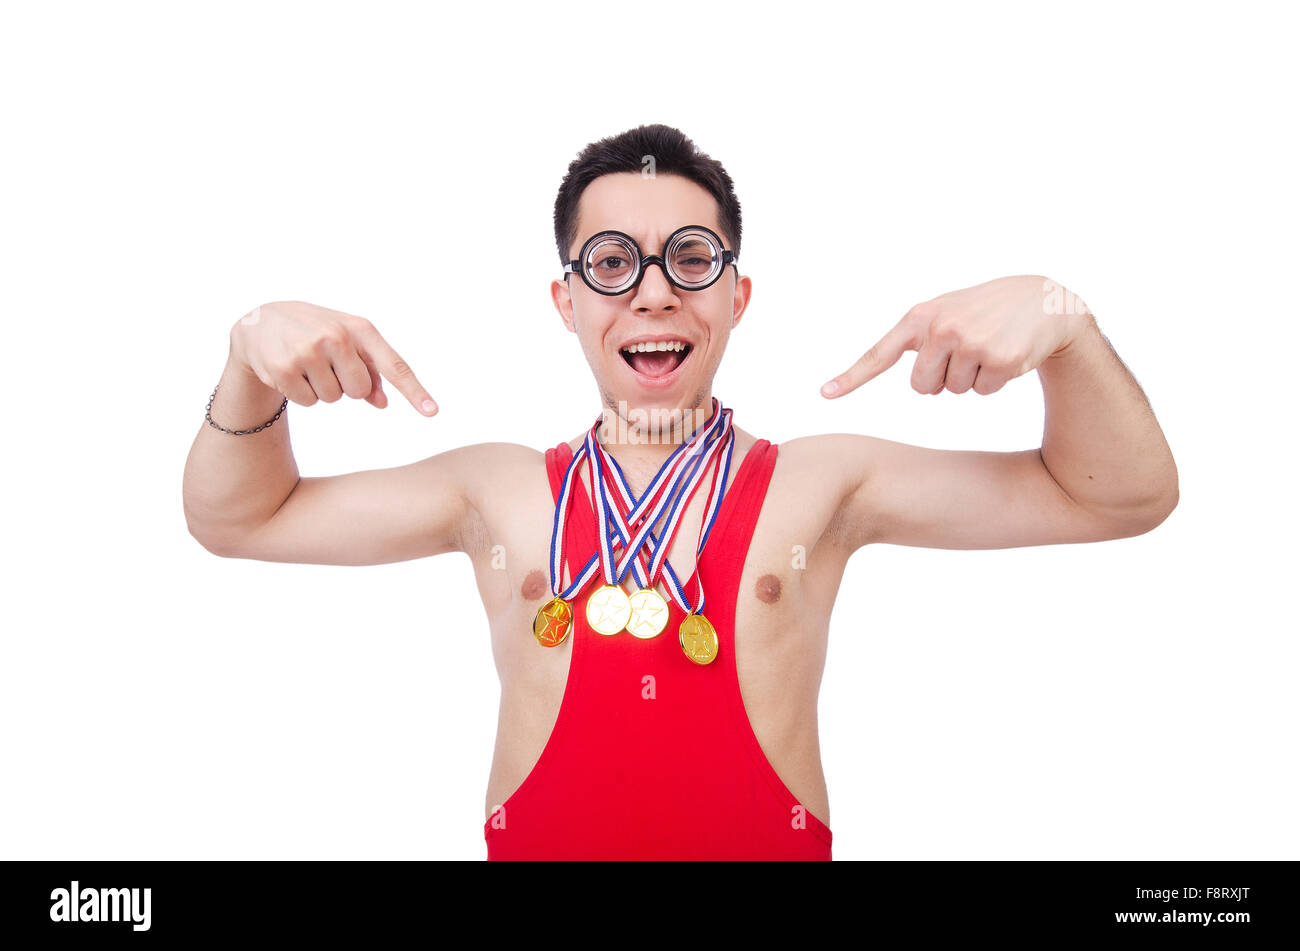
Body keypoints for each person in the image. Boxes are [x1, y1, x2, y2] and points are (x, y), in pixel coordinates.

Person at [182, 123, 1178, 860]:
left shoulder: (820, 485)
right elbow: (238, 519)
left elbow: (1119, 498)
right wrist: (247, 363)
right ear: (566, 301)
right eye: (612, 264)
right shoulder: (493, 491)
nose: (653, 291)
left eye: (689, 260)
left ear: (735, 296)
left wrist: (1066, 323)